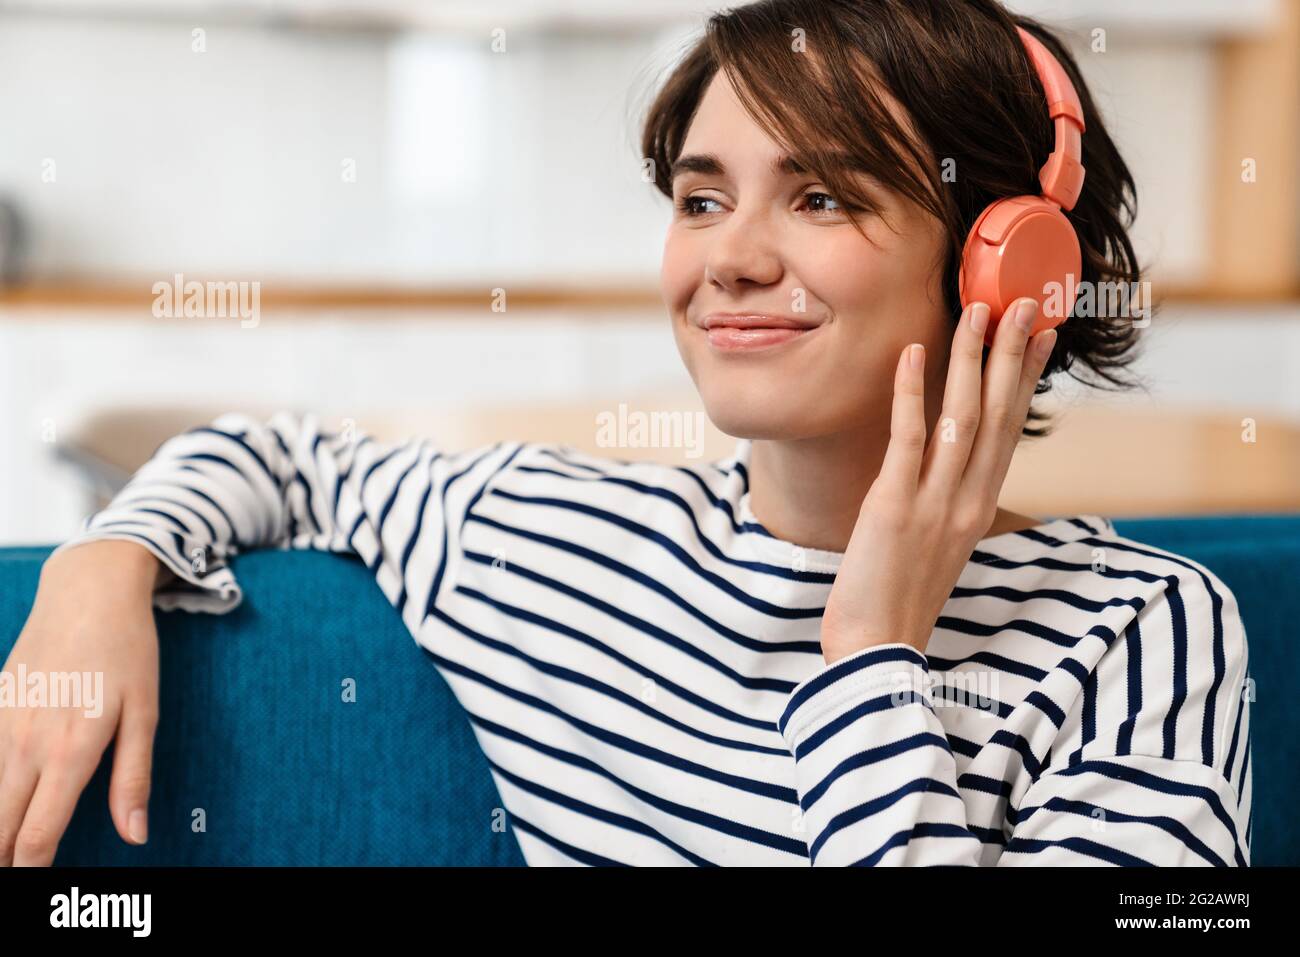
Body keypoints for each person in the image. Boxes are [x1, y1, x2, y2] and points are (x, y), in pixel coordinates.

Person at [2, 0, 1251, 866]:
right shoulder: (554, 545)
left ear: (1004, 266)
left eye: (819, 196)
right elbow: (275, 458)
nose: (730, 260)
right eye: (701, 199)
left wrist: (872, 654)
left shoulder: (1142, 636)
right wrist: (97, 568)